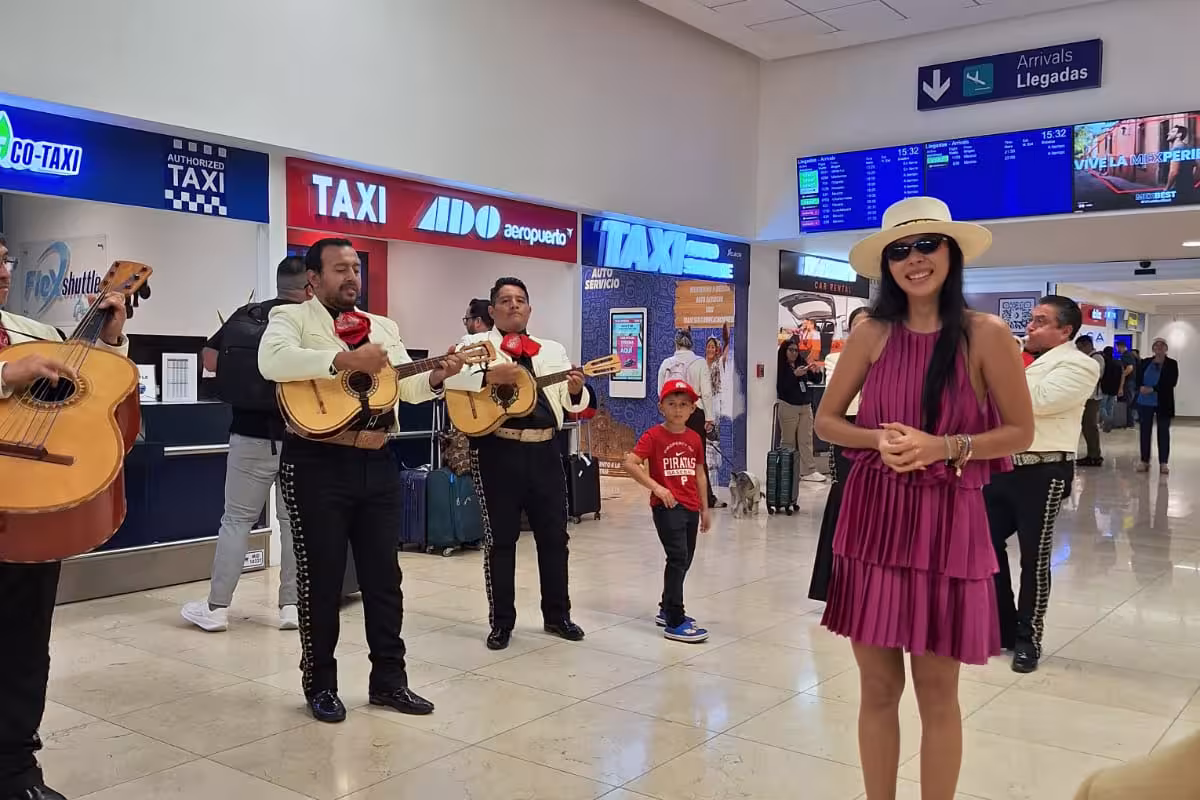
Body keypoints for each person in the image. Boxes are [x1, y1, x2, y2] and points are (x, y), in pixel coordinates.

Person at [815, 197, 1033, 800]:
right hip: (874, 520)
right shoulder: (870, 332)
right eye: (900, 251)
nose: (914, 260)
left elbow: (1020, 431)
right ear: (886, 265)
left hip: (949, 523)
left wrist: (943, 447)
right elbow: (828, 422)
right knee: (878, 689)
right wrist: (877, 439)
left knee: (939, 694)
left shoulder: (985, 335)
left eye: (927, 245)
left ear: (951, 253)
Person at [258, 237, 465, 723]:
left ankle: (390, 681)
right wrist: (343, 361)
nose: (351, 277)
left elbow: (405, 388)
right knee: (322, 581)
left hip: (377, 462)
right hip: (315, 462)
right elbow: (273, 363)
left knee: (384, 579)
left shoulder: (382, 327)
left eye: (355, 268)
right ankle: (321, 685)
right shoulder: (290, 319)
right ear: (313, 278)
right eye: (339, 269)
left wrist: (438, 375)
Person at [0, 233, 131, 800]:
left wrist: (110, 336)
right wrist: (7, 375)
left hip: (33, 500)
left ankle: (15, 772)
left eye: (4, 257)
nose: (3, 270)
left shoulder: (33, 331)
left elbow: (97, 381)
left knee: (26, 644)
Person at [453, 277, 591, 651]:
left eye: (520, 300)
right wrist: (487, 375)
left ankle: (558, 615)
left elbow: (572, 401)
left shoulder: (552, 350)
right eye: (505, 300)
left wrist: (577, 388)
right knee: (500, 541)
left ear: (530, 309)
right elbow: (452, 378)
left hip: (546, 450)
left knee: (554, 537)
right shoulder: (475, 345)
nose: (514, 305)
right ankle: (501, 622)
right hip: (497, 450)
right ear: (492, 310)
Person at [182, 257, 311, 633]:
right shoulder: (311, 322)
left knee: (236, 521)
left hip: (249, 435)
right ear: (308, 287)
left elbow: (209, 358)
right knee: (294, 524)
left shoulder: (247, 314)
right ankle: (291, 607)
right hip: (301, 437)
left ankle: (217, 608)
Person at [986, 296, 1099, 674]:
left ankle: (1027, 638)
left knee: (1034, 559)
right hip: (1000, 466)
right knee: (985, 549)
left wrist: (998, 371)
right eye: (1031, 320)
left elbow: (1038, 401)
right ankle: (999, 627)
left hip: (1043, 472)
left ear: (1065, 330)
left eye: (1040, 321)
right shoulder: (1025, 361)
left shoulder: (1079, 365)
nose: (1030, 327)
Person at [622, 379, 711, 643]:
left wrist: (705, 508)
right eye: (672, 404)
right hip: (667, 507)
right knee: (678, 557)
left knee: (686, 558)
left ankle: (666, 605)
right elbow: (630, 463)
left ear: (693, 409)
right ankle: (675, 619)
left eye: (684, 405)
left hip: (691, 505)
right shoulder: (653, 436)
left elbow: (699, 473)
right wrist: (658, 488)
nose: (678, 409)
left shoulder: (694, 438)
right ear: (661, 407)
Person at [809, 305, 870, 601]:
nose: (864, 331)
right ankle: (837, 585)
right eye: (858, 325)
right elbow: (845, 399)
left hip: (879, 433)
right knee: (846, 503)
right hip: (847, 431)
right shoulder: (836, 359)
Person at [658, 329, 723, 508]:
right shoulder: (700, 362)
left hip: (672, 415)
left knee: (674, 455)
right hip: (695, 412)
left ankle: (675, 495)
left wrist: (669, 409)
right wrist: (709, 417)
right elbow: (707, 392)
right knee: (697, 456)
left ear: (676, 343)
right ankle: (706, 499)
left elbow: (660, 391)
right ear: (691, 343)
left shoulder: (666, 363)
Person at [776, 337, 826, 485]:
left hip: (805, 405)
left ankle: (809, 470)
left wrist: (816, 372)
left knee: (806, 440)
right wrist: (794, 376)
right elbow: (781, 387)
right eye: (790, 350)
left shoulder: (801, 363)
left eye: (796, 350)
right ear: (784, 351)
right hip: (788, 405)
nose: (794, 353)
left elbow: (815, 380)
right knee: (788, 441)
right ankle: (787, 470)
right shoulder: (780, 366)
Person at [1135, 337, 1179, 475]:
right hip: (1145, 402)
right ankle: (1144, 460)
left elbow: (1171, 381)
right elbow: (1137, 378)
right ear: (1153, 348)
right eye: (1156, 346)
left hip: (1163, 402)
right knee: (1145, 431)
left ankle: (1163, 463)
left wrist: (1153, 389)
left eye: (1162, 346)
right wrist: (1140, 388)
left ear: (1166, 349)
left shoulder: (1171, 364)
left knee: (1163, 432)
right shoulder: (1145, 362)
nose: (1159, 348)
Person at [1074, 335, 1105, 467]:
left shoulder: (1096, 358)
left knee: (1090, 426)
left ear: (1087, 345)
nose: (1080, 351)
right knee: (1087, 427)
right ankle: (1092, 454)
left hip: (1092, 397)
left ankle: (1094, 456)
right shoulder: (1090, 358)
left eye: (1081, 348)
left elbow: (1094, 376)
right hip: (1087, 396)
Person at [1117, 340, 1139, 428]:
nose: (1117, 349)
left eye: (1117, 347)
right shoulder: (1130, 355)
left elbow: (1130, 368)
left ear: (1120, 346)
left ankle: (1130, 422)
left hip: (1129, 382)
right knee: (1129, 402)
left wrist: (1122, 375)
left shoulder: (1126, 355)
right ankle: (1130, 421)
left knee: (1129, 402)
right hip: (1131, 382)